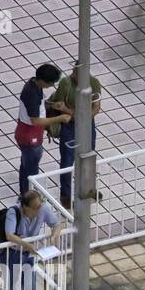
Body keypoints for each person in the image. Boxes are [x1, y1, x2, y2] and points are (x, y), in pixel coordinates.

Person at [1, 191, 63, 290]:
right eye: (34, 208)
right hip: (12, 253)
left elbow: (57, 224)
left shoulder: (43, 209)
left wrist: (54, 236)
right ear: (25, 206)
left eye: (39, 206)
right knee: (10, 283)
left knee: (30, 284)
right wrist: (27, 245)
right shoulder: (14, 212)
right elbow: (9, 235)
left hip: (28, 254)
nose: (37, 210)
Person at [46, 62, 103, 210]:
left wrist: (82, 117)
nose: (73, 75)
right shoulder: (66, 83)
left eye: (77, 73)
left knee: (88, 156)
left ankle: (89, 189)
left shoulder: (94, 83)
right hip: (69, 125)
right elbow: (60, 107)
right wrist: (76, 115)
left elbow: (96, 108)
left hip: (87, 124)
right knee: (67, 161)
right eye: (74, 72)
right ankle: (65, 196)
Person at [16, 64, 70, 199]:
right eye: (50, 83)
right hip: (29, 134)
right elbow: (35, 120)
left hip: (29, 133)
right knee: (31, 170)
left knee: (26, 164)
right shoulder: (32, 93)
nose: (51, 86)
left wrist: (51, 105)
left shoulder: (34, 85)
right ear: (42, 80)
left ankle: (25, 193)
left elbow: (37, 107)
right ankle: (29, 197)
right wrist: (60, 118)